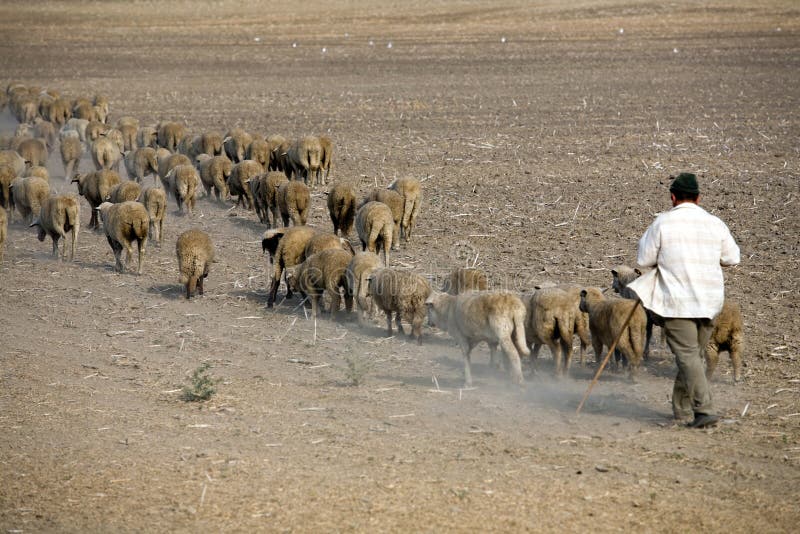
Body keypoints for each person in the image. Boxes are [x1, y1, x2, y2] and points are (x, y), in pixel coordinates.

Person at [627, 172, 740, 428]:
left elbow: (644, 259)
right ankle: (681, 409)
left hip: (677, 302)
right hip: (709, 302)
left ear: (673, 197)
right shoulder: (715, 223)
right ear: (698, 198)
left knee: (688, 357)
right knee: (692, 356)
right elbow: (732, 257)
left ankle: (704, 410)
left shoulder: (663, 223)